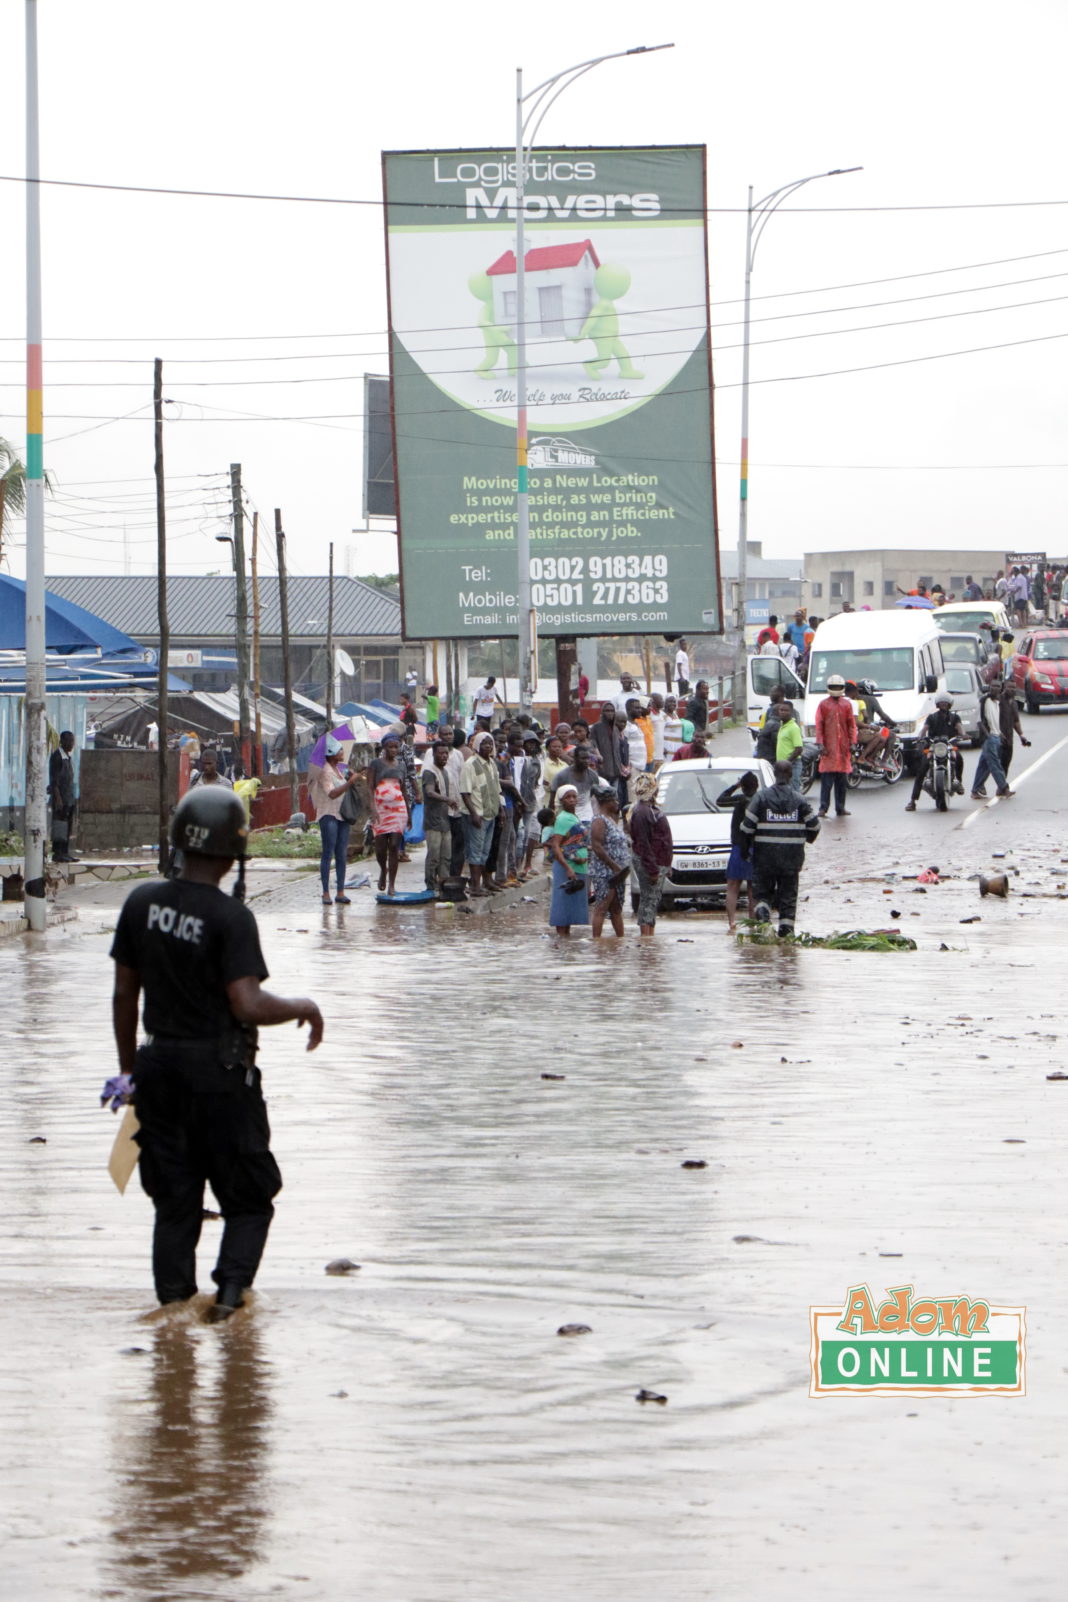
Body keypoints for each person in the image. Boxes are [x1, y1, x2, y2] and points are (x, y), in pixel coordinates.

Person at [110, 785, 323, 1319]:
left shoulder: (141, 903)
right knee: (249, 1200)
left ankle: (174, 1318)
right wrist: (304, 1004)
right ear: (234, 855)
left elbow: (123, 996)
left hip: (157, 1069)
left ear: (179, 842)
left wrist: (129, 1073)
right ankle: (229, 1306)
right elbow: (246, 1002)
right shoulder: (231, 919)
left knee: (174, 1204)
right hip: (222, 1074)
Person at [739, 758, 820, 939]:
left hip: (764, 858)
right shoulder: (799, 800)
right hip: (792, 860)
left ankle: (764, 925)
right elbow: (815, 827)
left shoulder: (761, 798)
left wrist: (745, 851)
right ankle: (786, 937)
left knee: (762, 895)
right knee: (788, 898)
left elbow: (746, 828)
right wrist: (803, 840)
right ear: (791, 776)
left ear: (775, 775)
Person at [308, 735, 359, 904]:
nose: (342, 752)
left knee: (341, 854)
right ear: (331, 753)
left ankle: (340, 891)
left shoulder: (339, 770)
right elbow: (332, 793)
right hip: (328, 815)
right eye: (339, 750)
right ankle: (325, 892)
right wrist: (349, 782)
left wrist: (348, 777)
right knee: (328, 853)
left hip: (341, 816)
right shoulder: (325, 771)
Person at [459, 731, 504, 896]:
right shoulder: (470, 765)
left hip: (490, 813)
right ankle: (475, 886)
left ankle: (481, 883)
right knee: (475, 852)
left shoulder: (492, 763)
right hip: (477, 814)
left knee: (485, 851)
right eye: (484, 743)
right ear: (477, 745)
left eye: (490, 743)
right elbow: (465, 793)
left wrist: (501, 810)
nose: (488, 746)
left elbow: (496, 789)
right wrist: (474, 814)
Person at [628, 771, 673, 935]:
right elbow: (644, 844)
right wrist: (653, 870)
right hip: (650, 862)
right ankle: (646, 937)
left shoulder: (645, 809)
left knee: (652, 901)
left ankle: (649, 938)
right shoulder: (643, 812)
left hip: (655, 861)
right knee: (648, 900)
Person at [368, 733, 411, 896]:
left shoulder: (401, 766)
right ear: (384, 747)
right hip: (381, 809)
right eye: (391, 747)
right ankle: (383, 870)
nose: (394, 750)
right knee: (380, 848)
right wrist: (372, 808)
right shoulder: (375, 764)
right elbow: (370, 787)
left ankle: (392, 884)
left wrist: (409, 812)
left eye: (396, 747)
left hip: (398, 809)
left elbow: (404, 789)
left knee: (394, 846)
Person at [905, 696, 966, 809]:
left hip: (949, 745)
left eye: (946, 702)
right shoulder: (932, 717)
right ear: (937, 705)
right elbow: (924, 729)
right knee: (922, 768)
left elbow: (960, 727)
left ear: (949, 705)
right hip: (933, 746)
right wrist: (920, 737)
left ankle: (959, 782)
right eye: (941, 702)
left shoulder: (954, 717)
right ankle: (913, 801)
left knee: (959, 759)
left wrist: (963, 734)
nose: (943, 704)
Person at [718, 770, 759, 933]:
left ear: (742, 786)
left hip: (738, 848)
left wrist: (733, 786)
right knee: (752, 889)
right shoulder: (760, 800)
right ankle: (753, 925)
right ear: (756, 786)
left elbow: (720, 801)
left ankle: (732, 923)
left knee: (732, 887)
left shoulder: (739, 800)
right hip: (755, 849)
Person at [587, 787, 631, 938]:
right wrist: (614, 866)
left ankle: (620, 942)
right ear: (607, 802)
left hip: (618, 873)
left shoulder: (612, 819)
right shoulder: (599, 820)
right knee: (602, 907)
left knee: (616, 909)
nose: (618, 803)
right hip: (605, 873)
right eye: (615, 800)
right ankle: (597, 942)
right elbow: (596, 846)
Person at [547, 784, 590, 936]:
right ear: (562, 801)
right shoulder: (563, 818)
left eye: (574, 796)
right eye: (568, 797)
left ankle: (566, 943)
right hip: (567, 869)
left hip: (578, 867)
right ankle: (561, 941)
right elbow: (556, 845)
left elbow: (576, 841)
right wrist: (568, 868)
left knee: (570, 910)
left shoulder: (573, 817)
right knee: (563, 909)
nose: (572, 800)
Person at [815, 674, 857, 817]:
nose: (836, 689)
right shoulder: (823, 705)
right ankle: (823, 808)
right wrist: (820, 743)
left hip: (843, 749)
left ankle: (840, 807)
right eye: (834, 687)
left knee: (841, 783)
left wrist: (853, 742)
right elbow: (819, 725)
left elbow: (852, 725)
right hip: (829, 750)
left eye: (838, 687)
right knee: (826, 783)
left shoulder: (847, 704)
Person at [971, 682, 1015, 801]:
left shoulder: (997, 703)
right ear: (990, 688)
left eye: (998, 687)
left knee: (984, 765)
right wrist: (988, 735)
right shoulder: (984, 701)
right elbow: (979, 722)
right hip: (989, 738)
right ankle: (1004, 788)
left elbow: (994, 721)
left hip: (996, 737)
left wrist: (1000, 733)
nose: (996, 688)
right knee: (995, 764)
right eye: (993, 686)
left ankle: (975, 790)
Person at [421, 741, 455, 893]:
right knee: (434, 856)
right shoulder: (429, 772)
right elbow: (429, 792)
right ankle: (430, 884)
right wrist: (446, 799)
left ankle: (444, 885)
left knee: (446, 856)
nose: (444, 756)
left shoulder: (445, 772)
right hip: (433, 821)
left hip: (445, 820)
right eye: (441, 753)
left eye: (446, 753)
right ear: (433, 754)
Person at [48, 729, 79, 863]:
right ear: (62, 742)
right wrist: (58, 799)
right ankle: (58, 852)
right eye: (69, 741)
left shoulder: (67, 757)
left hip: (69, 798)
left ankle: (65, 852)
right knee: (59, 826)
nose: (72, 744)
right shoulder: (57, 757)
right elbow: (54, 780)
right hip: (61, 798)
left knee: (67, 827)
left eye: (73, 741)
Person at [851, 679, 898, 768]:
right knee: (891, 735)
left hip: (854, 729)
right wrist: (893, 723)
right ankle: (880, 760)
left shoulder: (852, 699)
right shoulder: (870, 699)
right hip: (866, 729)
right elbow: (882, 715)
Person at [550, 742, 596, 821]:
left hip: (586, 816)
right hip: (566, 816)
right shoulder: (562, 776)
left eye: (588, 758)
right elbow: (552, 801)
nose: (586, 761)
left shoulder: (592, 775)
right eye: (583, 758)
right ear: (575, 758)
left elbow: (595, 797)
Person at [590, 701, 627, 798]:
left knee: (615, 796)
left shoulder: (615, 728)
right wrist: (598, 755)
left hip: (616, 769)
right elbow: (593, 743)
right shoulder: (596, 727)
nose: (610, 713)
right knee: (604, 795)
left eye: (612, 711)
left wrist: (622, 766)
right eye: (607, 711)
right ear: (602, 712)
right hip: (603, 768)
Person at [998, 681, 1031, 779]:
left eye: (1014, 687)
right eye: (1009, 687)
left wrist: (1021, 735)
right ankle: (1002, 786)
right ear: (1004, 687)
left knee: (1006, 763)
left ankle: (1002, 785)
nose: (1012, 689)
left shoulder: (1014, 703)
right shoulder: (999, 701)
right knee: (996, 764)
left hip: (1009, 739)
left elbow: (1016, 721)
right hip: (998, 738)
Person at [755, 686, 787, 762]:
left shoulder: (770, 710)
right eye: (783, 697)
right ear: (780, 698)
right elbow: (775, 738)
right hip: (771, 753)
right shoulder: (774, 712)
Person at [775, 703, 804, 786]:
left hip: (792, 765)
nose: (783, 712)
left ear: (791, 712)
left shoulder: (793, 728)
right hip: (781, 766)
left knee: (793, 792)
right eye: (781, 710)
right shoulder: (782, 726)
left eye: (786, 710)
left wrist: (787, 762)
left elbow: (799, 749)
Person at [662, 696, 684, 764]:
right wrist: (662, 747)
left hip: (678, 746)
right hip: (667, 747)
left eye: (674, 702)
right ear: (665, 703)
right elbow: (659, 732)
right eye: (670, 702)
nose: (672, 704)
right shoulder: (662, 716)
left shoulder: (675, 715)